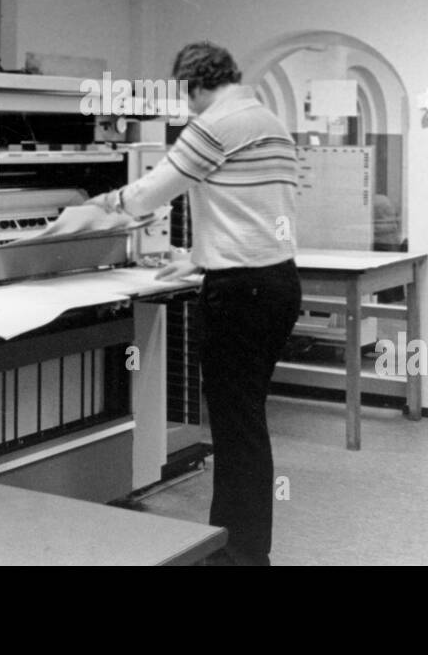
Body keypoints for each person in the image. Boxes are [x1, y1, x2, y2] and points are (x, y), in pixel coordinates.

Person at [86, 42, 300, 566]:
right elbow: (252, 211)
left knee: (236, 428)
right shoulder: (269, 121)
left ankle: (241, 554)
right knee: (245, 422)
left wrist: (86, 210)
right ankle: (240, 547)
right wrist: (200, 257)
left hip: (240, 296)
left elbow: (146, 195)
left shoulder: (214, 124)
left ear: (193, 86)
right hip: (275, 284)